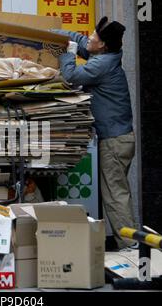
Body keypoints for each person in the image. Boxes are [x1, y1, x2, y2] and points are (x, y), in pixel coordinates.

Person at [52, 17, 136, 250]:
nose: (89, 37)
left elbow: (71, 77)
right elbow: (79, 40)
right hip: (118, 139)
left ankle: (131, 249)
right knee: (116, 192)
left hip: (115, 142)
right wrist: (52, 33)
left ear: (103, 45)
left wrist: (68, 54)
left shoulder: (102, 64)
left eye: (95, 37)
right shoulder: (104, 56)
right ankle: (130, 245)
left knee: (115, 195)